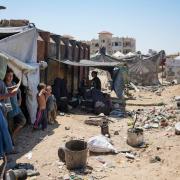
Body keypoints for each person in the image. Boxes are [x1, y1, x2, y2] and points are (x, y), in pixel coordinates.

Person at [4, 69, 26, 144]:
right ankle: (11, 143)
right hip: (8, 108)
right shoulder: (4, 85)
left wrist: (20, 99)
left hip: (16, 106)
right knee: (9, 126)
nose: (10, 77)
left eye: (12, 76)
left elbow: (19, 91)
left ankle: (13, 134)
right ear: (5, 76)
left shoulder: (13, 83)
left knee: (23, 120)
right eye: (9, 76)